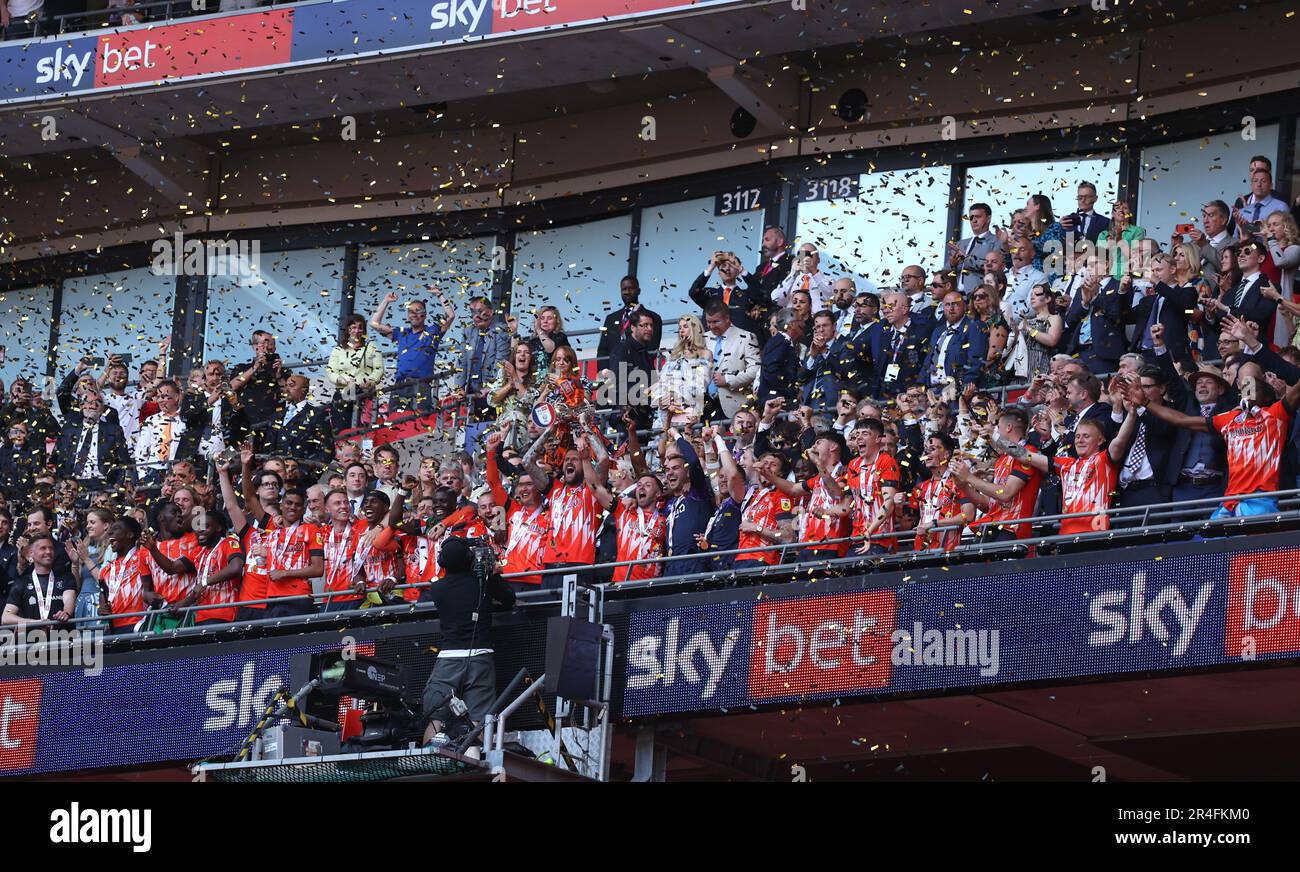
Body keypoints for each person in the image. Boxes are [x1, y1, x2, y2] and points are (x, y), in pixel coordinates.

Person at [1130, 361, 1300, 519]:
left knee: (1255, 549)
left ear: (1266, 395)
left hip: (1260, 500)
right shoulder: (1229, 419)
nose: (1248, 389)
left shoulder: (1275, 415)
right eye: (1244, 385)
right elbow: (1181, 420)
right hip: (1229, 503)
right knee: (1209, 543)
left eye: (1253, 385)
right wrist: (1145, 402)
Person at [419, 536, 516, 750]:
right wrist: (490, 573)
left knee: (437, 716)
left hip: (448, 658)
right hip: (480, 656)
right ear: (469, 558)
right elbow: (509, 598)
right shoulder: (483, 582)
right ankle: (475, 762)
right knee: (478, 717)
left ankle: (426, 760)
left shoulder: (437, 589)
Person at [1021, 404, 1138, 536]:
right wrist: (998, 438)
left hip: (1096, 536)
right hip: (1065, 536)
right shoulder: (1065, 464)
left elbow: (1121, 439)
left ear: (1100, 440)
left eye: (1086, 436)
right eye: (1077, 436)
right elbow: (1027, 457)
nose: (1080, 441)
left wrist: (1132, 413)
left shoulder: (1104, 460)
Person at [759, 427, 851, 561]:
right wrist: (767, 474)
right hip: (807, 545)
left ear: (833, 446)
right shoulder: (817, 479)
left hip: (829, 546)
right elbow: (792, 489)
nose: (813, 447)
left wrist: (818, 463)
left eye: (818, 442)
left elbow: (836, 494)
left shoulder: (847, 473)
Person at [952, 407, 1042, 542]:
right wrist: (965, 486)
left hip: (1012, 530)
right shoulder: (1002, 460)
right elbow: (989, 505)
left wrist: (969, 477)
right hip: (990, 526)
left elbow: (1005, 494)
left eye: (998, 427)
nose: (995, 432)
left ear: (1009, 427)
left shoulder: (1028, 453)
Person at [369, 287, 456, 413]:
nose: (415, 314)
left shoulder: (432, 332)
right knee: (395, 425)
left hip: (421, 385)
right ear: (408, 316)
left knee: (420, 424)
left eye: (418, 311)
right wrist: (386, 301)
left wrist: (439, 294)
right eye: (411, 311)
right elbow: (374, 323)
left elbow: (450, 315)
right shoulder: (402, 333)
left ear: (425, 315)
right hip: (399, 385)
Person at [449, 296, 511, 458]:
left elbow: (501, 362)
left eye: (480, 312)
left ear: (490, 312)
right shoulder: (468, 331)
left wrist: (489, 387)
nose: (476, 316)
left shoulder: (501, 331)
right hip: (473, 390)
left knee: (492, 430)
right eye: (472, 312)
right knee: (476, 432)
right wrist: (459, 388)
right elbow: (461, 361)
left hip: (493, 392)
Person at [53, 393, 132, 496]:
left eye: (98, 403)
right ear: (81, 406)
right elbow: (58, 459)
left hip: (103, 484)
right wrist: (61, 482)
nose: (93, 406)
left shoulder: (113, 430)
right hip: (71, 484)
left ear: (103, 409)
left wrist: (118, 483)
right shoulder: (68, 430)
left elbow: (125, 462)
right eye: (89, 403)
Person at [907, 433, 974, 551]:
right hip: (920, 552)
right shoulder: (920, 488)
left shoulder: (959, 483)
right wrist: (897, 503)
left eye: (932, 449)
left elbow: (968, 516)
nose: (926, 453)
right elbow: (908, 522)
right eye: (926, 450)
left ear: (947, 454)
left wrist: (935, 524)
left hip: (948, 552)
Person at [263, 374, 334, 471]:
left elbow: (327, 450)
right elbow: (268, 447)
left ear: (304, 389)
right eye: (285, 386)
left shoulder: (318, 415)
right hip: (276, 476)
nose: (287, 390)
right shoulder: (275, 416)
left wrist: (308, 474)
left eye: (291, 386)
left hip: (302, 479)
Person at [326, 314, 385, 431]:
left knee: (363, 430)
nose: (356, 331)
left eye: (360, 327)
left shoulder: (371, 347)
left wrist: (371, 380)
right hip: (345, 392)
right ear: (347, 330)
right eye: (353, 327)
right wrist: (340, 379)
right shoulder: (338, 349)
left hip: (365, 393)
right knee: (342, 430)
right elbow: (330, 371)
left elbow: (379, 369)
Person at [2, 534, 75, 626]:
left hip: (62, 636)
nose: (48, 551)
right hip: (31, 637)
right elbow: (6, 617)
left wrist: (66, 612)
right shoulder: (22, 582)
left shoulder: (65, 577)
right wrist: (34, 623)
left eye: (51, 548)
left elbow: (69, 598)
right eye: (43, 548)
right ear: (31, 553)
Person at [922, 291, 988, 390]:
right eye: (947, 305)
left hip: (956, 390)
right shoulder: (938, 330)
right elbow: (928, 360)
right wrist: (920, 385)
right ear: (943, 308)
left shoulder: (974, 326)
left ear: (965, 307)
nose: (951, 309)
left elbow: (976, 362)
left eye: (956, 304)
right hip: (931, 390)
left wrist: (959, 387)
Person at [655, 314, 712, 430]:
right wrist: (661, 399)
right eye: (679, 328)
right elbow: (662, 381)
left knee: (685, 445)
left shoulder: (705, 354)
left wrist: (675, 396)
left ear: (695, 328)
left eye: (685, 326)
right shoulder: (674, 354)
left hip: (688, 412)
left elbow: (700, 385)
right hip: (666, 413)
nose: (681, 330)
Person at [597, 275, 663, 373]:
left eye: (631, 288)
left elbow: (652, 347)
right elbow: (603, 349)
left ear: (638, 291)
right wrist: (604, 371)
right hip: (613, 375)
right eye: (624, 289)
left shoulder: (653, 317)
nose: (627, 292)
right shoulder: (610, 319)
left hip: (639, 373)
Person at [690, 250, 764, 335]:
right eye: (723, 266)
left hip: (738, 342)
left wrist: (741, 269)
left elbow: (759, 291)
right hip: (712, 341)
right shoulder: (710, 294)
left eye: (731, 265)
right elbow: (693, 292)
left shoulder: (746, 295)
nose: (727, 269)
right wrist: (711, 266)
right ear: (719, 273)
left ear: (737, 272)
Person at [488, 340, 542, 455]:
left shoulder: (537, 379)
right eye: (519, 352)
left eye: (526, 352)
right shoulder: (502, 374)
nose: (522, 355)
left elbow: (530, 402)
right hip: (502, 428)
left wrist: (514, 377)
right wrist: (509, 385)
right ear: (514, 356)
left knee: (516, 416)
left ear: (530, 358)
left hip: (526, 432)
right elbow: (491, 400)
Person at [97, 517, 150, 635]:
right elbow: (103, 595)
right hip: (110, 627)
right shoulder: (106, 569)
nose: (110, 532)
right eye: (111, 529)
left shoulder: (143, 557)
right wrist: (102, 608)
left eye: (116, 529)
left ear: (130, 534)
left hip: (137, 624)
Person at [876, 290, 930, 399]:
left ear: (904, 309)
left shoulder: (922, 332)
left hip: (912, 396)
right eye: (885, 307)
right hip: (886, 395)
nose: (886, 311)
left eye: (890, 307)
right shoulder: (885, 334)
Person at [227, 331, 284, 435]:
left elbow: (288, 393)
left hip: (273, 427)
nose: (267, 347)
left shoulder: (281, 371)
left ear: (275, 348)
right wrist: (254, 368)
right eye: (263, 344)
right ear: (254, 347)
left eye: (270, 344)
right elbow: (231, 387)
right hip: (245, 425)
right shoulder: (242, 368)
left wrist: (279, 375)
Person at [949, 203, 1003, 292]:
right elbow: (947, 270)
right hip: (955, 296)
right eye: (971, 217)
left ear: (988, 219)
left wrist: (966, 259)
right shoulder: (960, 244)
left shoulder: (996, 241)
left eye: (978, 217)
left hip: (978, 296)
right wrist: (952, 265)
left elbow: (994, 268)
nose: (974, 220)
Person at [757, 307, 803, 405]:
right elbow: (770, 370)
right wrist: (789, 390)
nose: (803, 324)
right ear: (792, 324)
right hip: (775, 402)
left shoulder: (784, 341)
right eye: (800, 321)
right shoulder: (780, 341)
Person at [772, 243, 834, 313]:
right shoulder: (790, 279)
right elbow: (776, 299)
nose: (805, 258)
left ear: (818, 260)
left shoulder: (827, 279)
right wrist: (792, 274)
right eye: (801, 255)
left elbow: (833, 295)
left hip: (818, 322)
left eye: (809, 255)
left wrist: (814, 272)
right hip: (794, 322)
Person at [1096, 201, 1145, 279]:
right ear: (1112, 213)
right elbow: (1099, 259)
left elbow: (1135, 256)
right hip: (1107, 277)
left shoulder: (1138, 231)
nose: (1121, 210)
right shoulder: (1103, 234)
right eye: (1117, 208)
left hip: (1126, 276)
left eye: (1125, 208)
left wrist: (1119, 240)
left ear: (1129, 213)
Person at [743, 225, 792, 302]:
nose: (763, 244)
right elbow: (752, 290)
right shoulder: (760, 267)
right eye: (763, 241)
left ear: (779, 242)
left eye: (767, 240)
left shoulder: (791, 262)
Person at [526, 305, 570, 372]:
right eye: (542, 318)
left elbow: (550, 349)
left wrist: (538, 330)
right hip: (537, 379)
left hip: (557, 377)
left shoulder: (560, 337)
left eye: (549, 318)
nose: (545, 321)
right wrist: (513, 333)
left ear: (557, 321)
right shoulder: (533, 341)